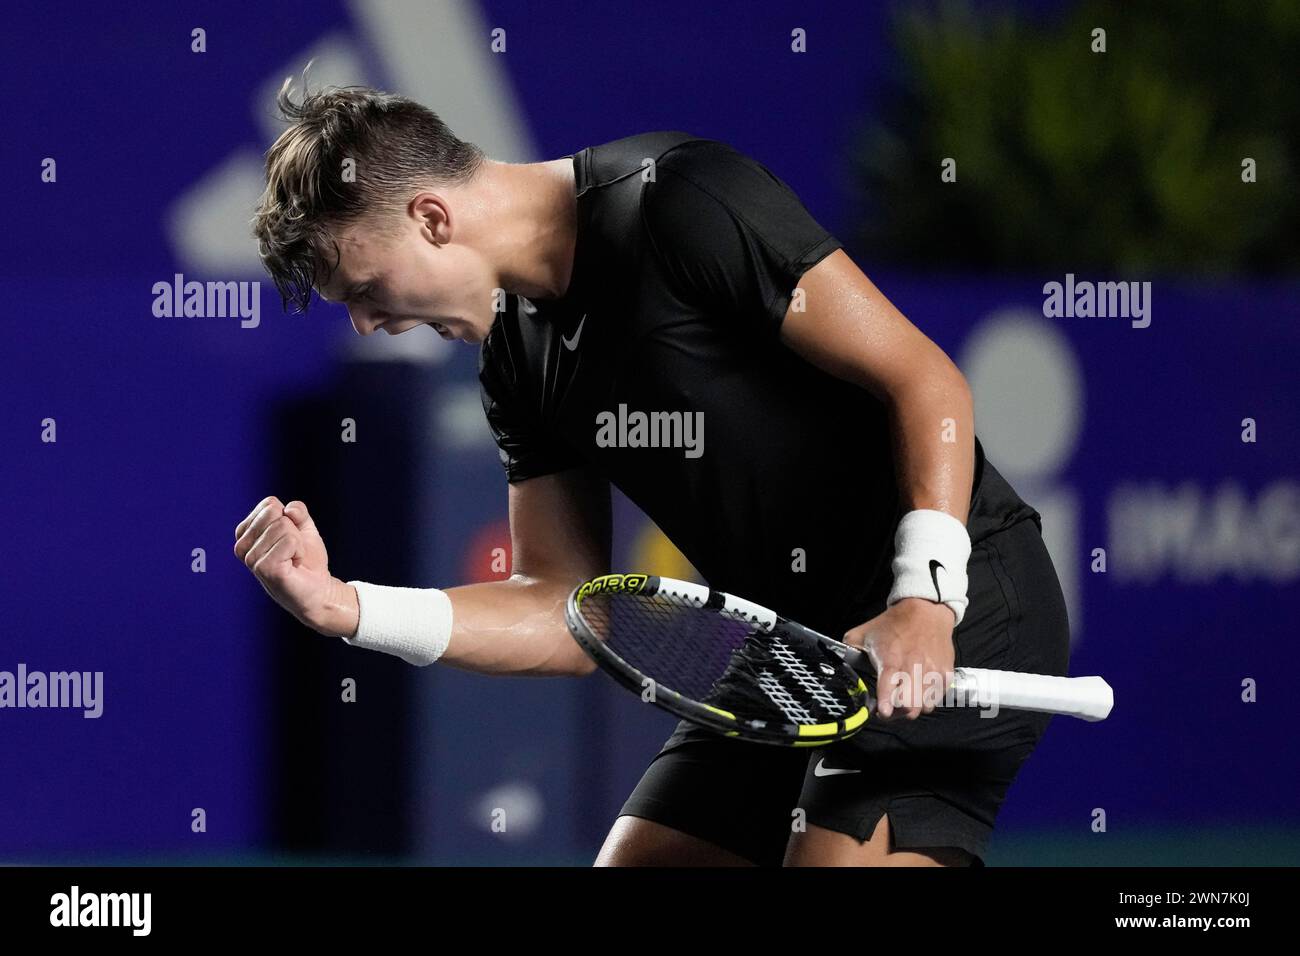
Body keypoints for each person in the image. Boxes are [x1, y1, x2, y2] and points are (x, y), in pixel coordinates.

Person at [238, 82, 1070, 866]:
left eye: (367, 289)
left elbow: (924, 379)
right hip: (786, 652)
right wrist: (347, 607)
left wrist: (923, 598)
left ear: (430, 217)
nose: (371, 323)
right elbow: (562, 605)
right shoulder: (512, 364)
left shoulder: (682, 201)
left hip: (962, 599)